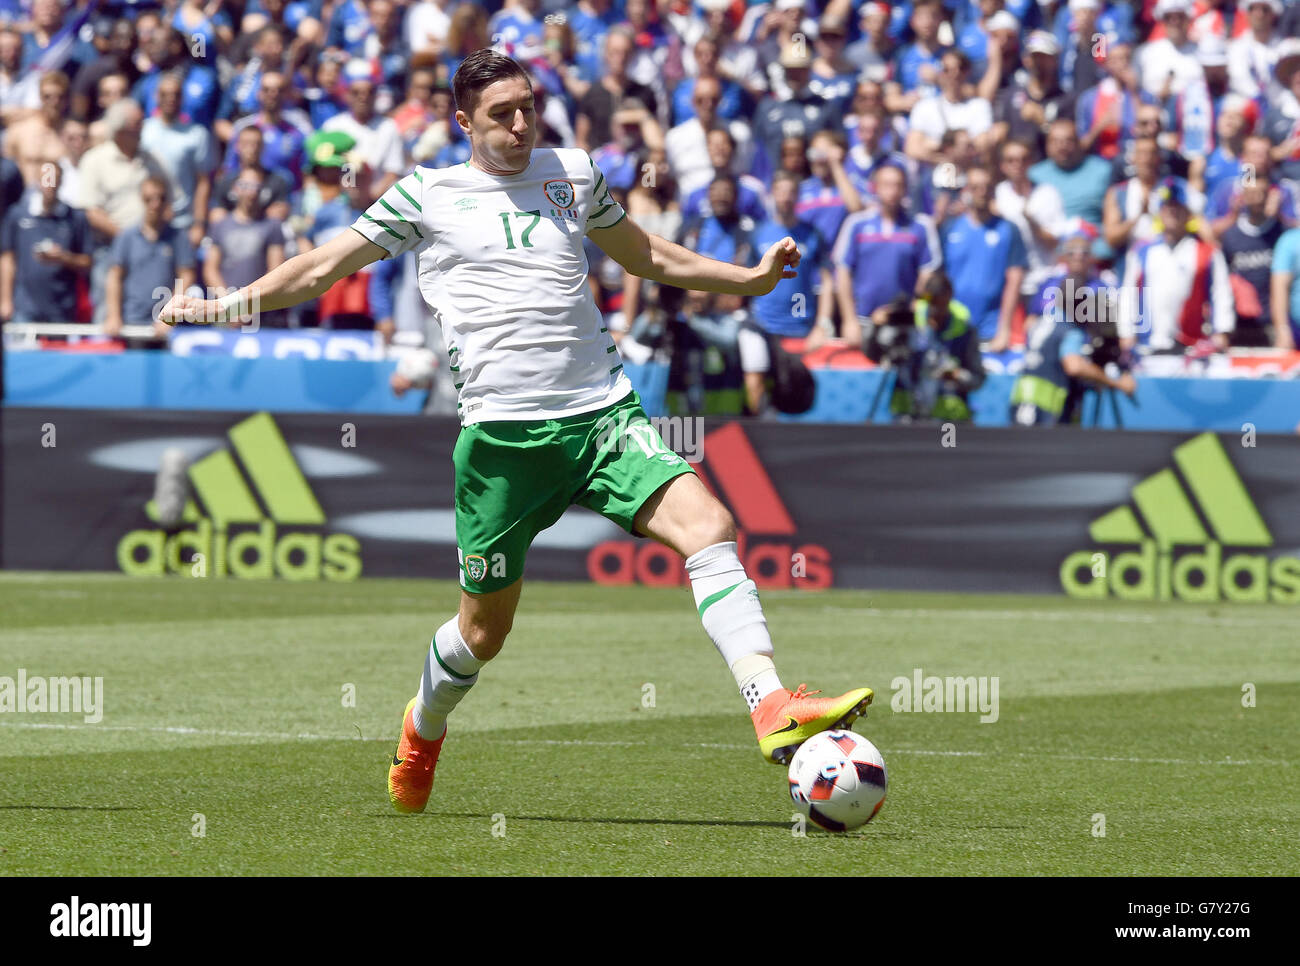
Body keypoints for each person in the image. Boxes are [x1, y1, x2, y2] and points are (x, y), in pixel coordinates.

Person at [159, 48, 872, 813]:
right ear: (462, 121)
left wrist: (751, 281)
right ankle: (423, 727)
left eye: (529, 106)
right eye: (502, 113)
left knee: (711, 524)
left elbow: (647, 254)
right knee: (482, 634)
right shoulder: (427, 194)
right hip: (504, 441)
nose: (522, 123)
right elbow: (320, 268)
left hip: (601, 414)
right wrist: (219, 307)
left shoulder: (573, 172)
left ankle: (769, 703)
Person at [1010, 231, 1137, 426]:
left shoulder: (1045, 321)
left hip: (1022, 397)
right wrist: (1113, 382)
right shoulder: (1070, 329)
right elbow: (1074, 365)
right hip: (1049, 408)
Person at [1119, 177, 1235, 352]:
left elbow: (1221, 293)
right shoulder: (1140, 251)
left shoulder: (1207, 252)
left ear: (1188, 213)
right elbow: (1129, 294)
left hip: (1193, 347)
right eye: (1167, 207)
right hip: (1148, 346)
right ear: (1159, 212)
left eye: (1178, 207)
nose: (1172, 212)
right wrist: (1126, 333)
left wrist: (1222, 331)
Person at [104, 176, 196, 337]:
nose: (155, 204)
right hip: (132, 324)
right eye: (149, 199)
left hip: (168, 328)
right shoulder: (127, 237)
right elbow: (114, 276)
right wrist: (114, 316)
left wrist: (170, 317)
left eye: (161, 198)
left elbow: (186, 276)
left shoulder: (178, 237)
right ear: (141, 199)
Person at [0, 164, 91, 323]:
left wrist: (63, 258)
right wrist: (5, 300)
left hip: (61, 307)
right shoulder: (17, 215)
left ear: (61, 181)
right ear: (38, 181)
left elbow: (87, 262)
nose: (50, 184)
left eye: (54, 179)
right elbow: (8, 259)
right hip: (25, 307)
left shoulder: (75, 218)